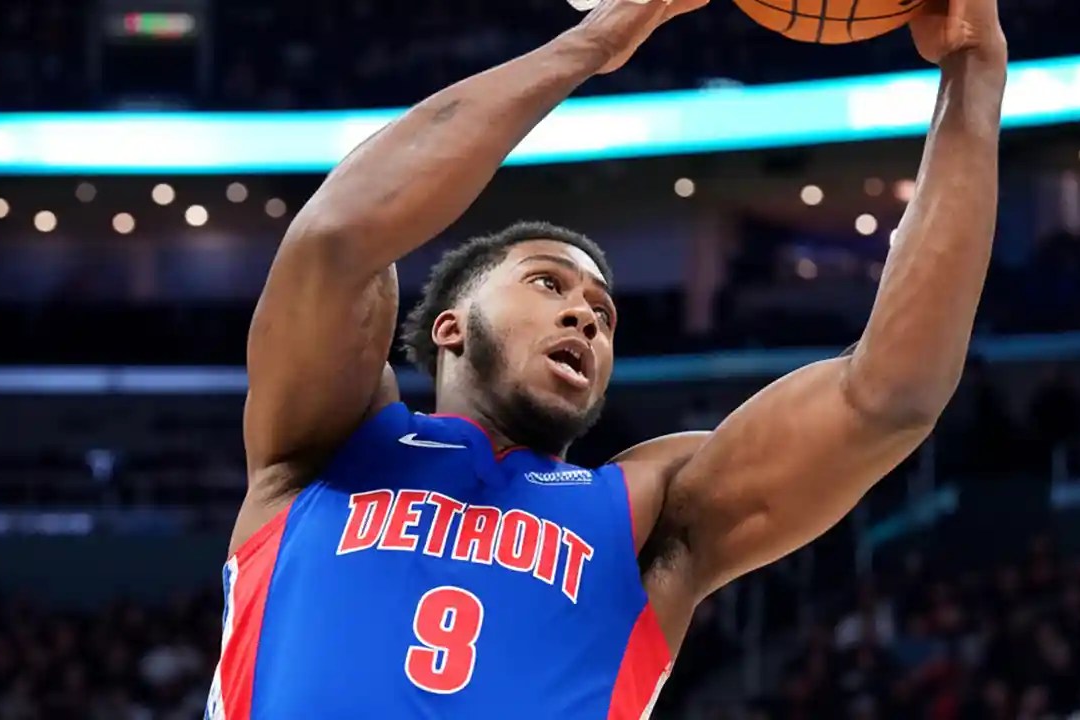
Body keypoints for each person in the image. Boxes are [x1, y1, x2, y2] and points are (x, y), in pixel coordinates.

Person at [205, 0, 1008, 716]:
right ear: (449, 326)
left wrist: (976, 72)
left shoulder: (651, 511)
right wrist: (592, 43)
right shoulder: (328, 444)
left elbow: (890, 397)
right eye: (548, 283)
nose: (584, 318)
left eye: (603, 315)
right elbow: (338, 236)